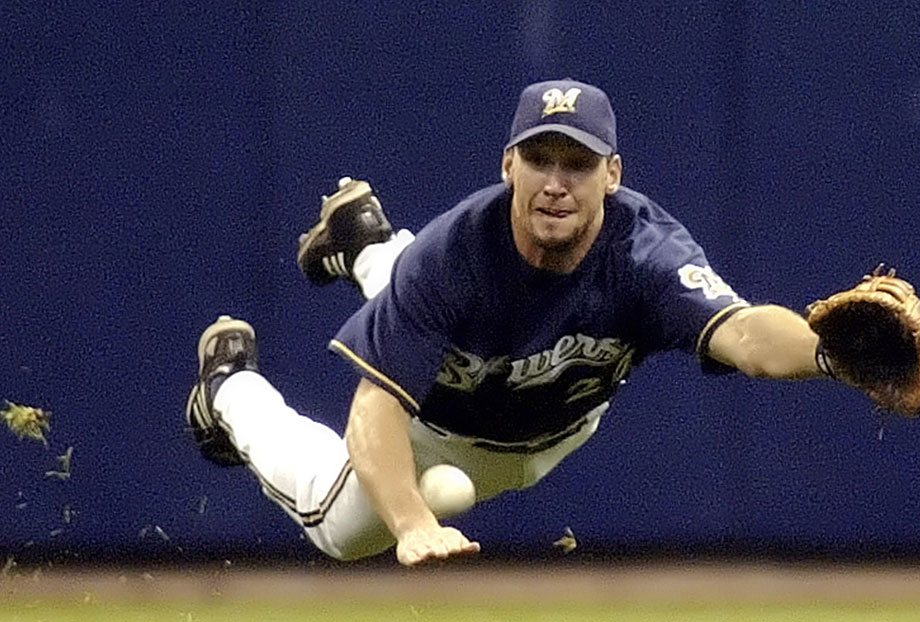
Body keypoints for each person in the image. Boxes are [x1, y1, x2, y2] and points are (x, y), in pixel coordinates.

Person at [186, 79, 827, 567]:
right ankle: (230, 391)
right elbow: (373, 410)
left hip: (559, 424)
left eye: (578, 163)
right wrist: (412, 523)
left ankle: (367, 245)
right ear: (507, 166)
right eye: (539, 159)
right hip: (440, 428)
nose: (556, 183)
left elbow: (747, 336)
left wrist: (832, 352)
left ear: (612, 175)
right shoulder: (452, 255)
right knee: (342, 530)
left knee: (421, 298)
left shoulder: (646, 254)